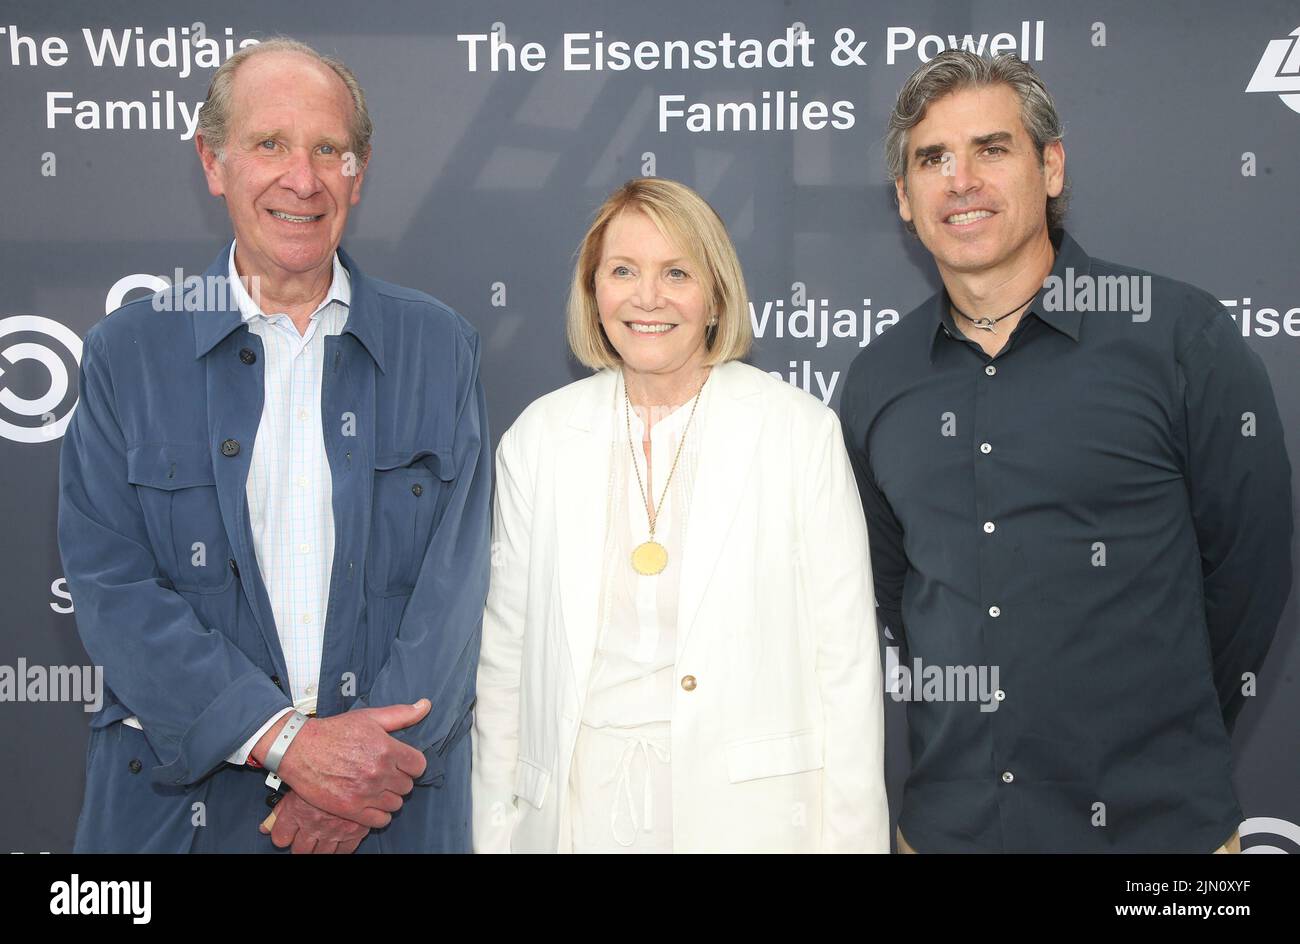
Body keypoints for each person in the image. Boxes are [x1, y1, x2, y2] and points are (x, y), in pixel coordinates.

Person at [839, 50, 1293, 853]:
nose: (962, 180)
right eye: (932, 159)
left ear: (1050, 167)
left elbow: (1246, 572)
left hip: (1158, 837)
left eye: (992, 148)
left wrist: (1153, 732)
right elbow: (897, 596)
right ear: (906, 201)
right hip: (951, 832)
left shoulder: (1178, 337)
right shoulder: (877, 382)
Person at [58, 38, 490, 853]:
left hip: (385, 814)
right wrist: (289, 745)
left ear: (359, 170)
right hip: (173, 816)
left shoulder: (440, 348)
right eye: (270, 144)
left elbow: (454, 593)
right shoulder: (129, 354)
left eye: (329, 149)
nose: (303, 178)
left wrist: (353, 780)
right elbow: (113, 587)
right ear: (213, 163)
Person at [472, 177, 888, 853]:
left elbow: (844, 669)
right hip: (578, 822)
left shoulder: (797, 433)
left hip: (751, 824)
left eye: (676, 273)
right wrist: (496, 835)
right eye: (623, 271)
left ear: (716, 295)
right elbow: (504, 666)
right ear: (593, 290)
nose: (647, 297)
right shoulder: (538, 440)